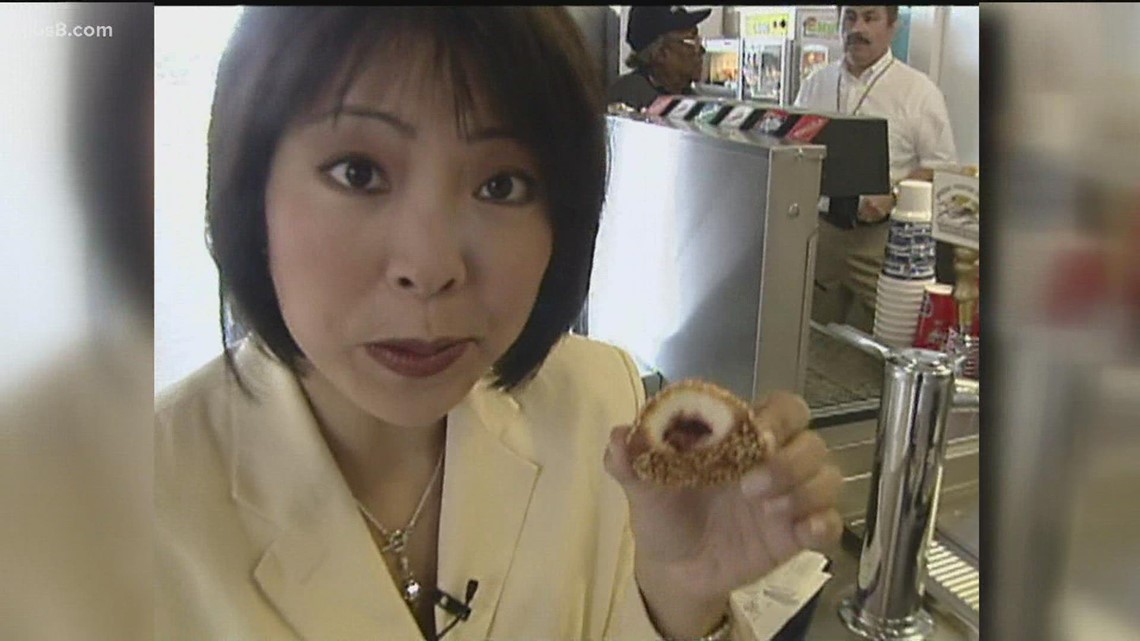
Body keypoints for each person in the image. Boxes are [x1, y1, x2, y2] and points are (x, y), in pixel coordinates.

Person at [156, 8, 841, 641]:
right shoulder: (111, 507)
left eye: (501, 185)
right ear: (251, 190)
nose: (430, 266)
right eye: (358, 172)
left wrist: (681, 601)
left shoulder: (602, 407)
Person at [795, 5, 958, 331]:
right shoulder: (817, 84)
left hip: (881, 241)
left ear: (892, 26)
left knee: (889, 337)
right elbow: (795, 149)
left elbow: (942, 168)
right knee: (808, 336)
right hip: (821, 232)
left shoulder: (919, 91)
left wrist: (894, 195)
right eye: (850, 17)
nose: (858, 28)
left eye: (870, 18)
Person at [607, 6, 710, 111]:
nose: (702, 50)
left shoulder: (694, 100)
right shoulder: (625, 102)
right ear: (660, 53)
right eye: (692, 41)